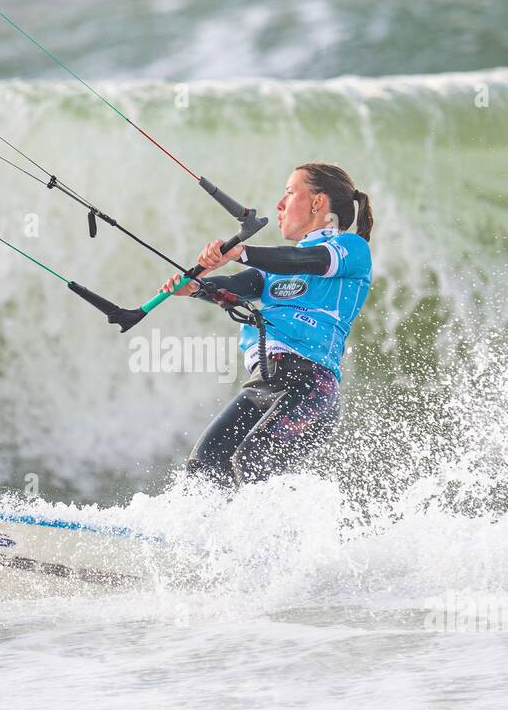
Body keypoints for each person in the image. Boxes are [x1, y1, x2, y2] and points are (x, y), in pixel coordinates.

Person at [160, 162, 374, 486]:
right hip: (264, 382)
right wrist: (194, 286)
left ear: (317, 202)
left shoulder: (351, 249)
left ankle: (284, 536)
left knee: (252, 462)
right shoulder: (273, 271)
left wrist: (242, 252)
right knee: (204, 467)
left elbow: (304, 261)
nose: (280, 204)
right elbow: (234, 286)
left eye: (289, 193)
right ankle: (197, 533)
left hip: (310, 387)